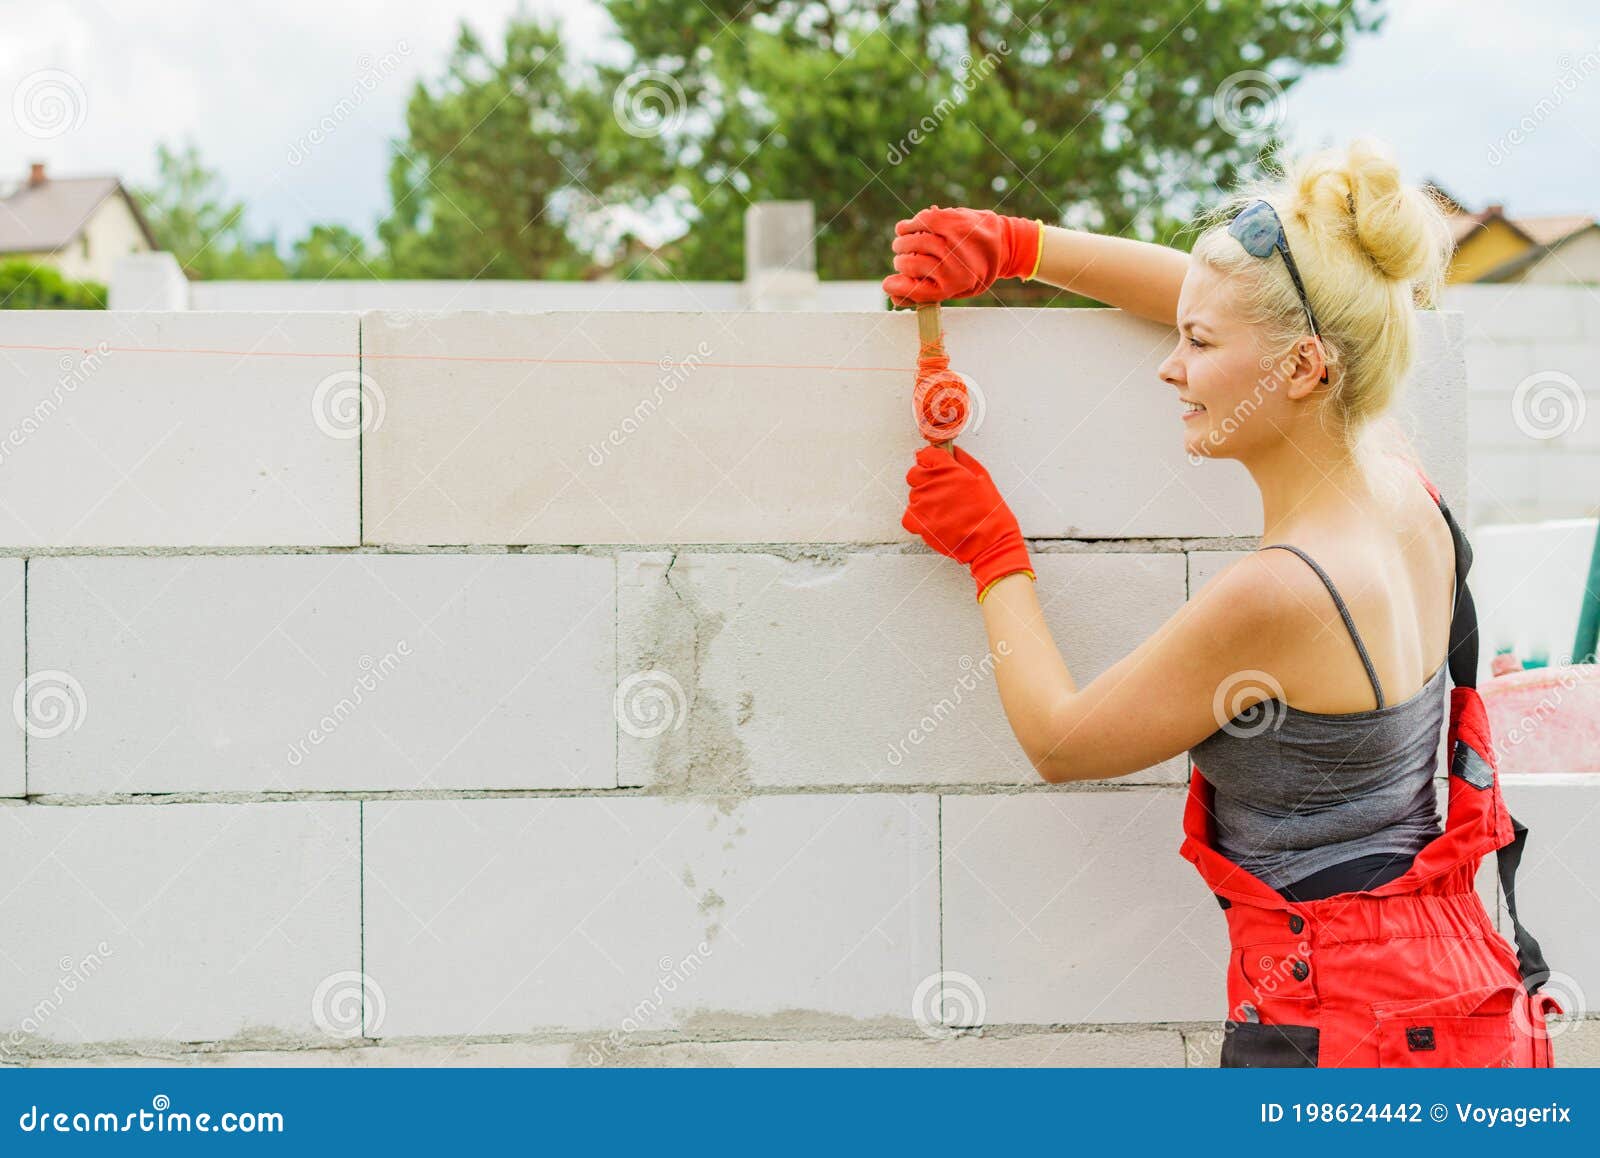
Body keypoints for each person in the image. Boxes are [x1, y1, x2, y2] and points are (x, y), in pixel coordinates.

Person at [886, 138, 1560, 1068]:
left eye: (1196, 347)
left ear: (1302, 369)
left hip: (1341, 1031)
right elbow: (1230, 304)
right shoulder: (1395, 469)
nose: (1171, 367)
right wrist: (1016, 246)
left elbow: (1061, 740)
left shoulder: (1282, 592)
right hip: (1460, 992)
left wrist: (993, 554)